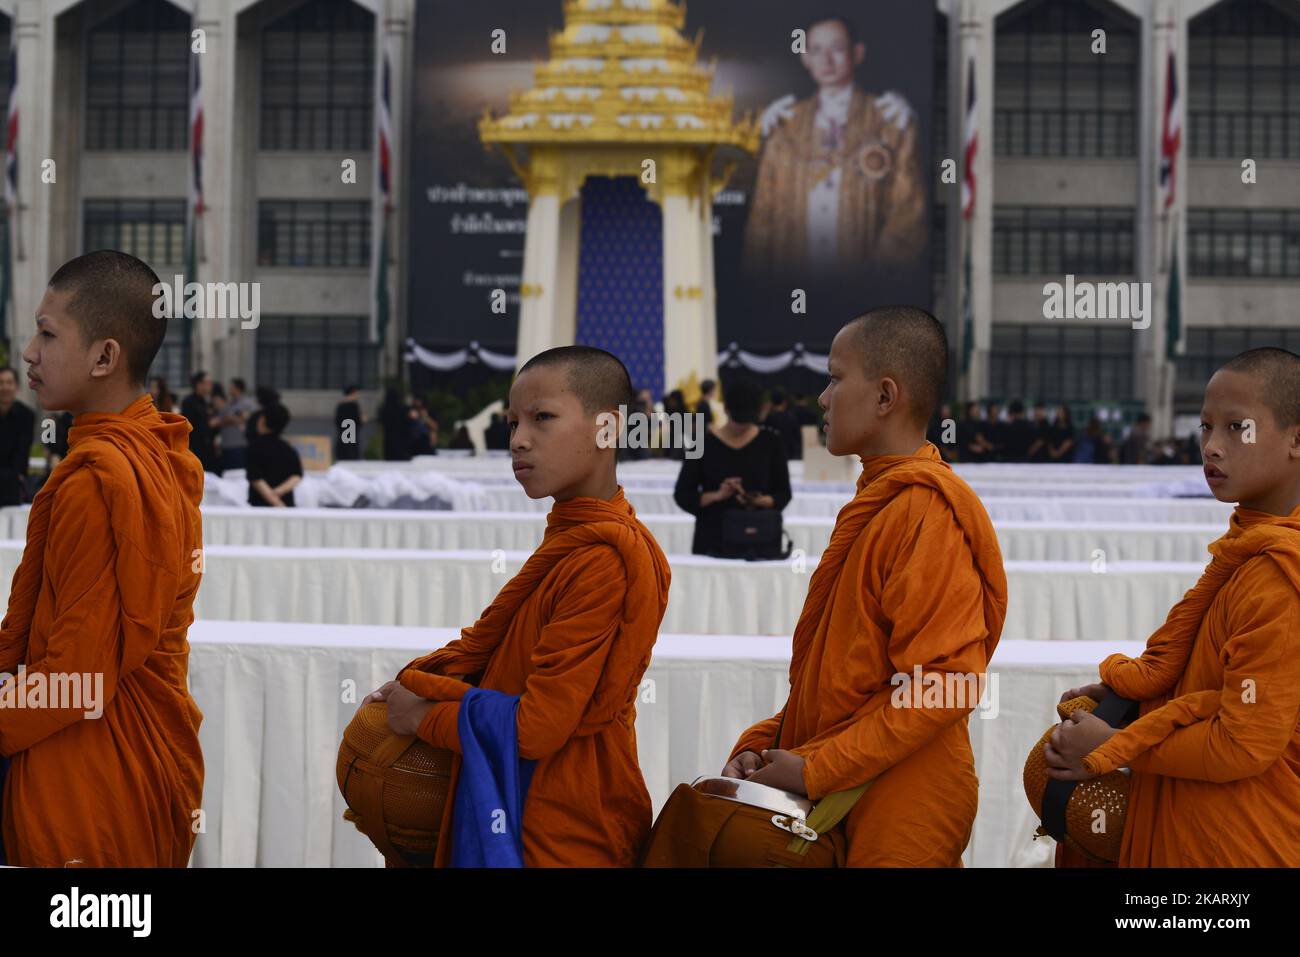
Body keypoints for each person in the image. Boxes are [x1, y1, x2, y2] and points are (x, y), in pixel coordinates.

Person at [719, 306, 1007, 866]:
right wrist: (763, 744)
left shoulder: (926, 513)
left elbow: (944, 684)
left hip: (901, 804)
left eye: (834, 377)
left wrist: (816, 768)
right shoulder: (882, 500)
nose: (823, 398)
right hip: (850, 785)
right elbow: (842, 683)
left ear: (884, 397)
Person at [363, 345, 671, 866]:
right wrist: (426, 681)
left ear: (608, 429)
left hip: (561, 823)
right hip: (528, 805)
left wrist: (426, 714)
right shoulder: (575, 537)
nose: (518, 440)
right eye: (512, 424)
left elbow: (537, 727)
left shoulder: (604, 559)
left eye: (542, 418)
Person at [1048, 347, 1300, 866]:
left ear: (1296, 440)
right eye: (1206, 427)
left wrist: (1117, 743)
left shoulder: (1280, 574)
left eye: (1237, 429)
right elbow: (1221, 686)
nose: (1212, 446)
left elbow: (1244, 744)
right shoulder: (1248, 548)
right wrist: (1143, 703)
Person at [0, 250, 204, 866]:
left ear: (105, 356)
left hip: (88, 779)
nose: (29, 352)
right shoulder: (160, 454)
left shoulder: (100, 481)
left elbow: (74, 681)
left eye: (48, 332)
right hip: (134, 756)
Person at [742, 14, 924, 283]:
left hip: (863, 284)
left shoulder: (889, 119)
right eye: (816, 50)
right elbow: (762, 217)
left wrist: (874, 279)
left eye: (837, 48)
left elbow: (908, 212)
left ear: (857, 53)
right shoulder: (786, 124)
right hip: (793, 283)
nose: (826, 60)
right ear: (805, 57)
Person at [672, 378, 792, 557]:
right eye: (738, 419)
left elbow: (783, 493)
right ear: (726, 410)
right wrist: (717, 495)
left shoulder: (771, 442)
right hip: (712, 543)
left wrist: (758, 500)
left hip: (759, 540)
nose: (743, 426)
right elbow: (683, 494)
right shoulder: (701, 444)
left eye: (748, 420)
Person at [246, 403, 303, 508]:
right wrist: (279, 492)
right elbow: (297, 475)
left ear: (262, 421)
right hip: (287, 505)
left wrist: (275, 501)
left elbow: (256, 479)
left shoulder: (254, 447)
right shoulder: (288, 449)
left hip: (261, 508)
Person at [0, 368, 36, 506]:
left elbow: (22, 454)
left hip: (12, 484)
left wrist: (15, 476)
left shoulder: (27, 415)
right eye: (1, 382)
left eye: (9, 382)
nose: (5, 387)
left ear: (16, 386)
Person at [180, 370, 218, 473]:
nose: (210, 386)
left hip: (207, 449)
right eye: (207, 383)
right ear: (199, 385)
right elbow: (189, 426)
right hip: (195, 448)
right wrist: (209, 424)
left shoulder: (206, 402)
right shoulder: (189, 402)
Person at [218, 378, 254, 473]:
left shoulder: (246, 403)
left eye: (232, 387)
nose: (229, 389)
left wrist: (230, 418)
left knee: (237, 473)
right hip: (226, 444)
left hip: (238, 445)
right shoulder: (228, 404)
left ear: (238, 389)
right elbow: (223, 419)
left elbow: (244, 418)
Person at [763, 388, 803, 460]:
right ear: (784, 402)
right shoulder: (791, 418)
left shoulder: (769, 419)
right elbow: (798, 437)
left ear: (772, 403)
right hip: (790, 455)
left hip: (773, 455)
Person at [379, 387, 412, 461]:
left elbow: (382, 428)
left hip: (389, 443)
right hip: (403, 443)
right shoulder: (404, 409)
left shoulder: (384, 410)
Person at [1000, 399, 1038, 463]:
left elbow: (1002, 443)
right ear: (1022, 412)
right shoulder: (1030, 426)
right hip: (1025, 459)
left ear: (1011, 412)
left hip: (1009, 460)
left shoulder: (1007, 427)